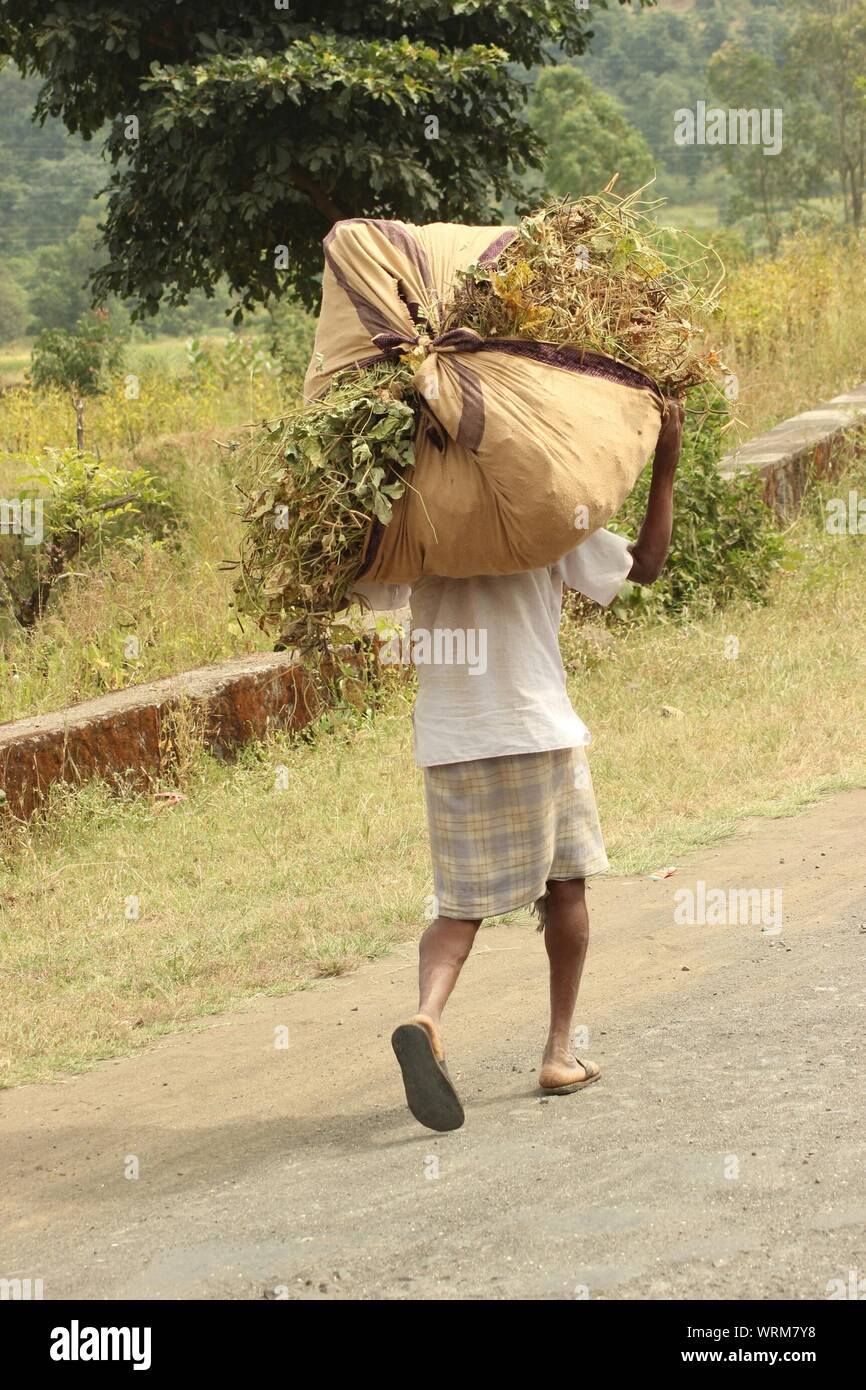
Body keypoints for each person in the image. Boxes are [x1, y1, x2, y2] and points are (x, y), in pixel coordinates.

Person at [353, 399, 684, 1131]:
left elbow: (366, 586)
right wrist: (664, 461)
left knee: (457, 908)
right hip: (538, 725)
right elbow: (648, 567)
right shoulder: (544, 501)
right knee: (565, 888)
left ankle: (427, 1017)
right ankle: (559, 1049)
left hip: (452, 737)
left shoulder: (422, 512)